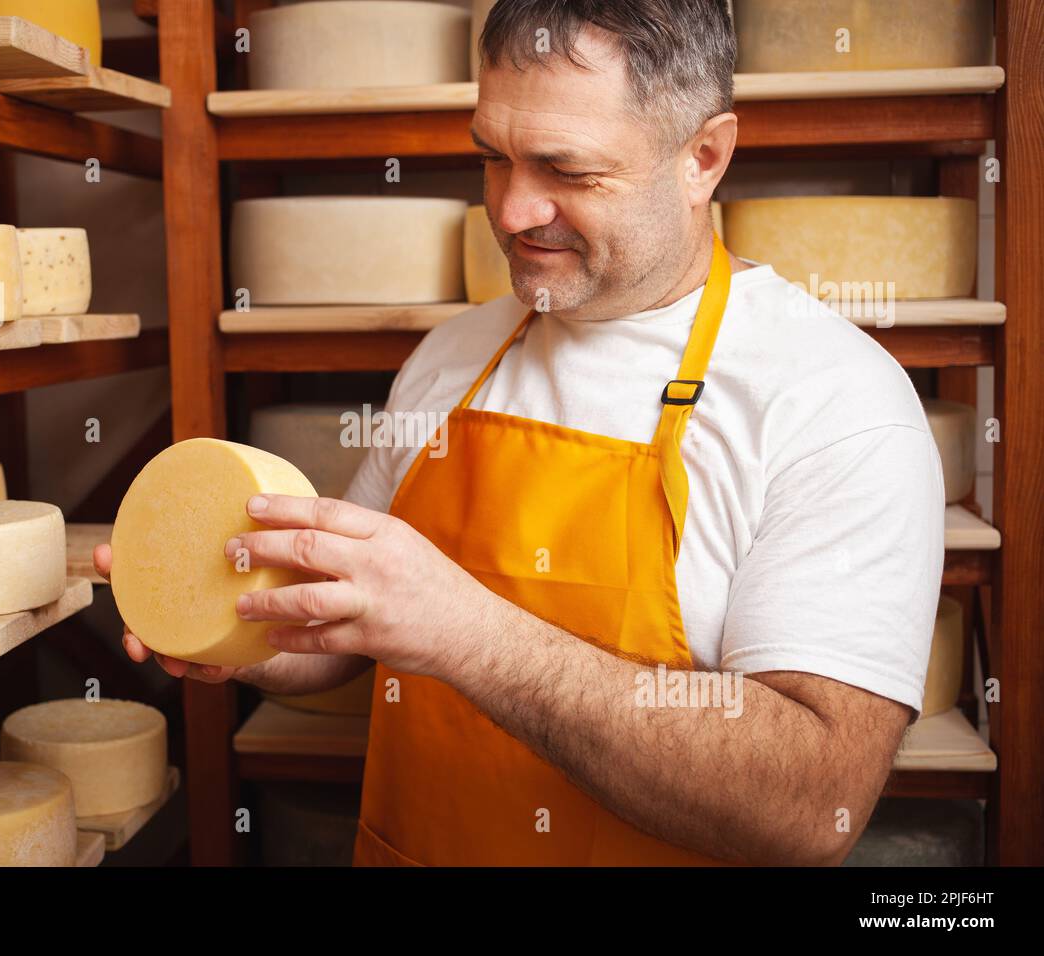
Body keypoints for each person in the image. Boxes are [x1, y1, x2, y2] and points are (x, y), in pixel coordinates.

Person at [94, 0, 944, 866]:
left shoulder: (833, 400)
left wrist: (468, 633)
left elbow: (811, 811)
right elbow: (344, 631)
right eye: (492, 157)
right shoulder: (450, 356)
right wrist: (243, 635)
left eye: (565, 169)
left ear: (704, 157)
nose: (510, 209)